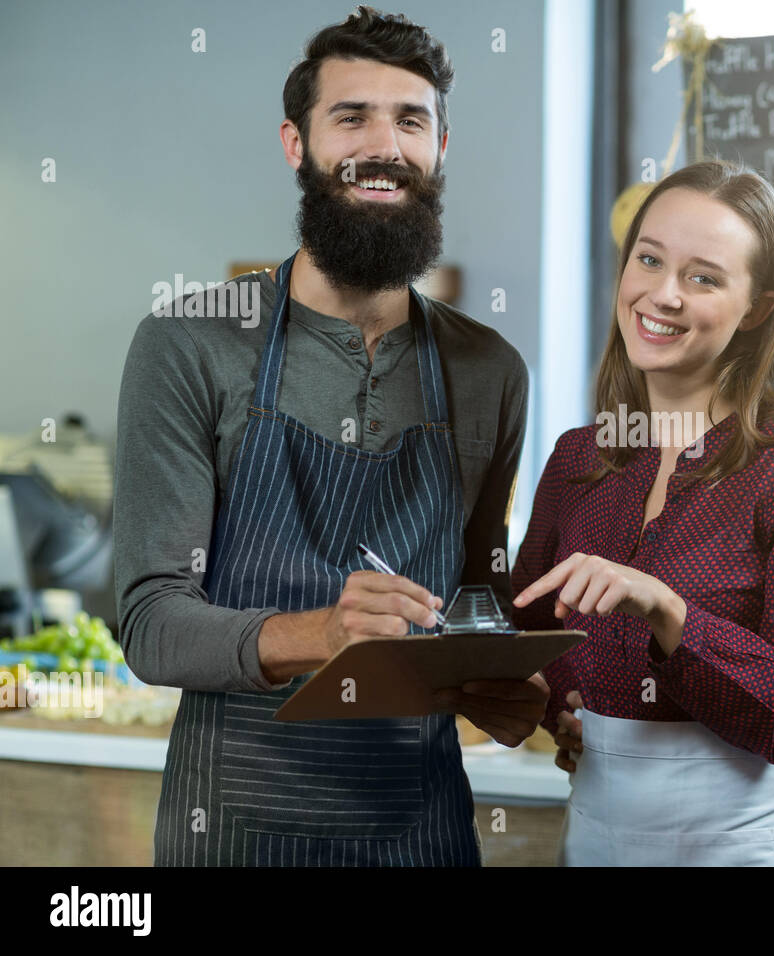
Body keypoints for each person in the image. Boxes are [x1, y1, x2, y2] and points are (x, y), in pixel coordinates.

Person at [113, 7, 547, 867]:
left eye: (410, 120)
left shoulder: (489, 369)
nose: (383, 144)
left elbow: (475, 593)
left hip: (420, 826)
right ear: (295, 144)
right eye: (351, 117)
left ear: (440, 149)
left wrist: (499, 684)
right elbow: (151, 623)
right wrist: (322, 634)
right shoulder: (190, 343)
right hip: (232, 825)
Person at [511, 159, 774, 866]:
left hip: (748, 840)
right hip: (596, 832)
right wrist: (559, 709)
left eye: (703, 278)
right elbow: (527, 631)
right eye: (649, 260)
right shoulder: (578, 458)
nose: (662, 295)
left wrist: (666, 611)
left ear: (759, 307)